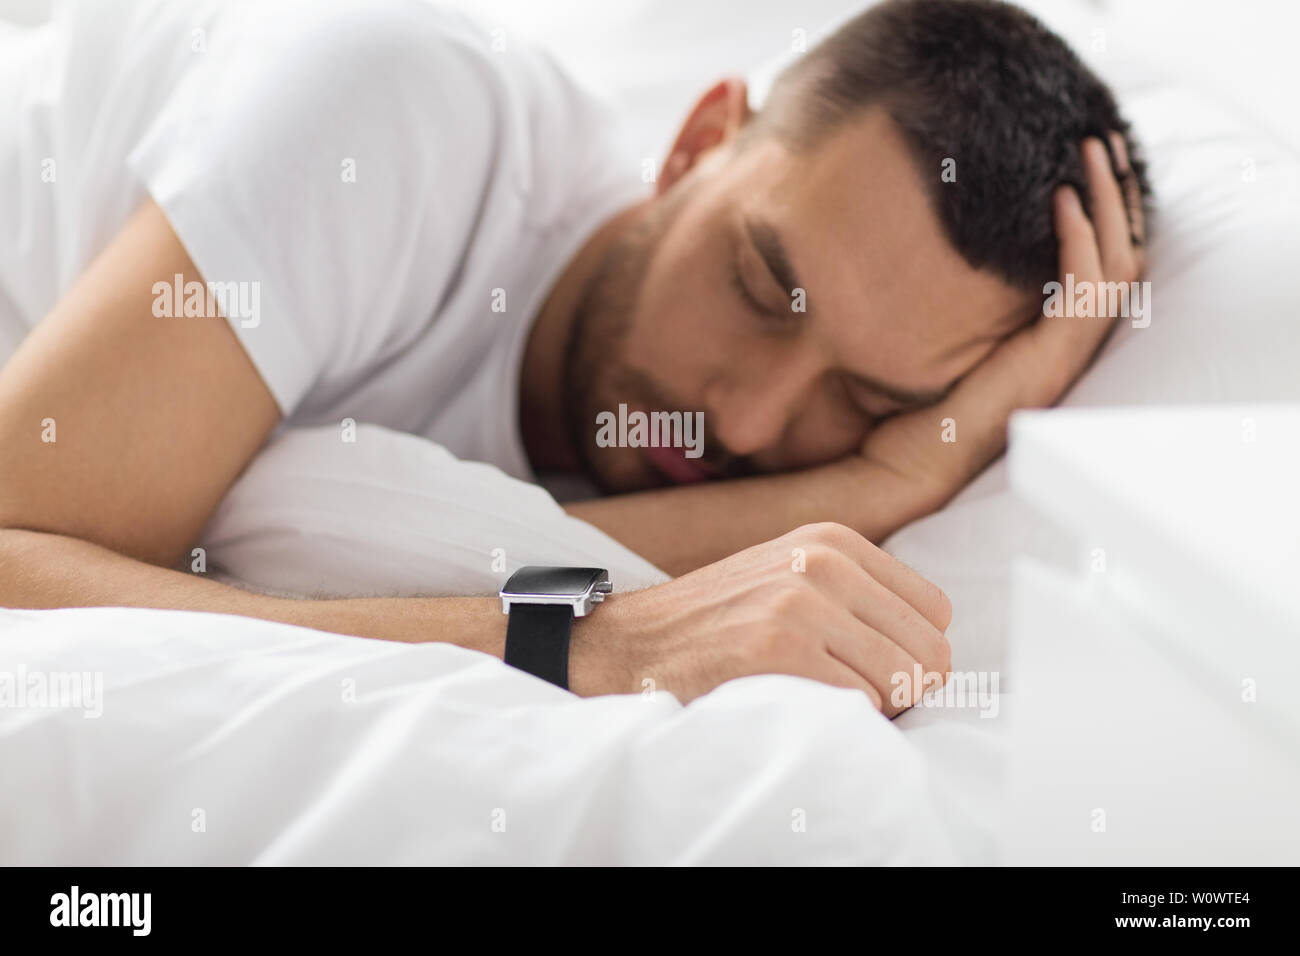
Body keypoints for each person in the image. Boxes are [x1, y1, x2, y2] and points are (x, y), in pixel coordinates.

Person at [0, 0, 1147, 710]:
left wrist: (896, 479)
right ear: (698, 143)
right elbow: (19, 568)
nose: (747, 423)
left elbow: (398, 560)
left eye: (866, 397)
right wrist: (582, 643)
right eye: (759, 285)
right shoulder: (398, 115)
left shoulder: (727, 454)